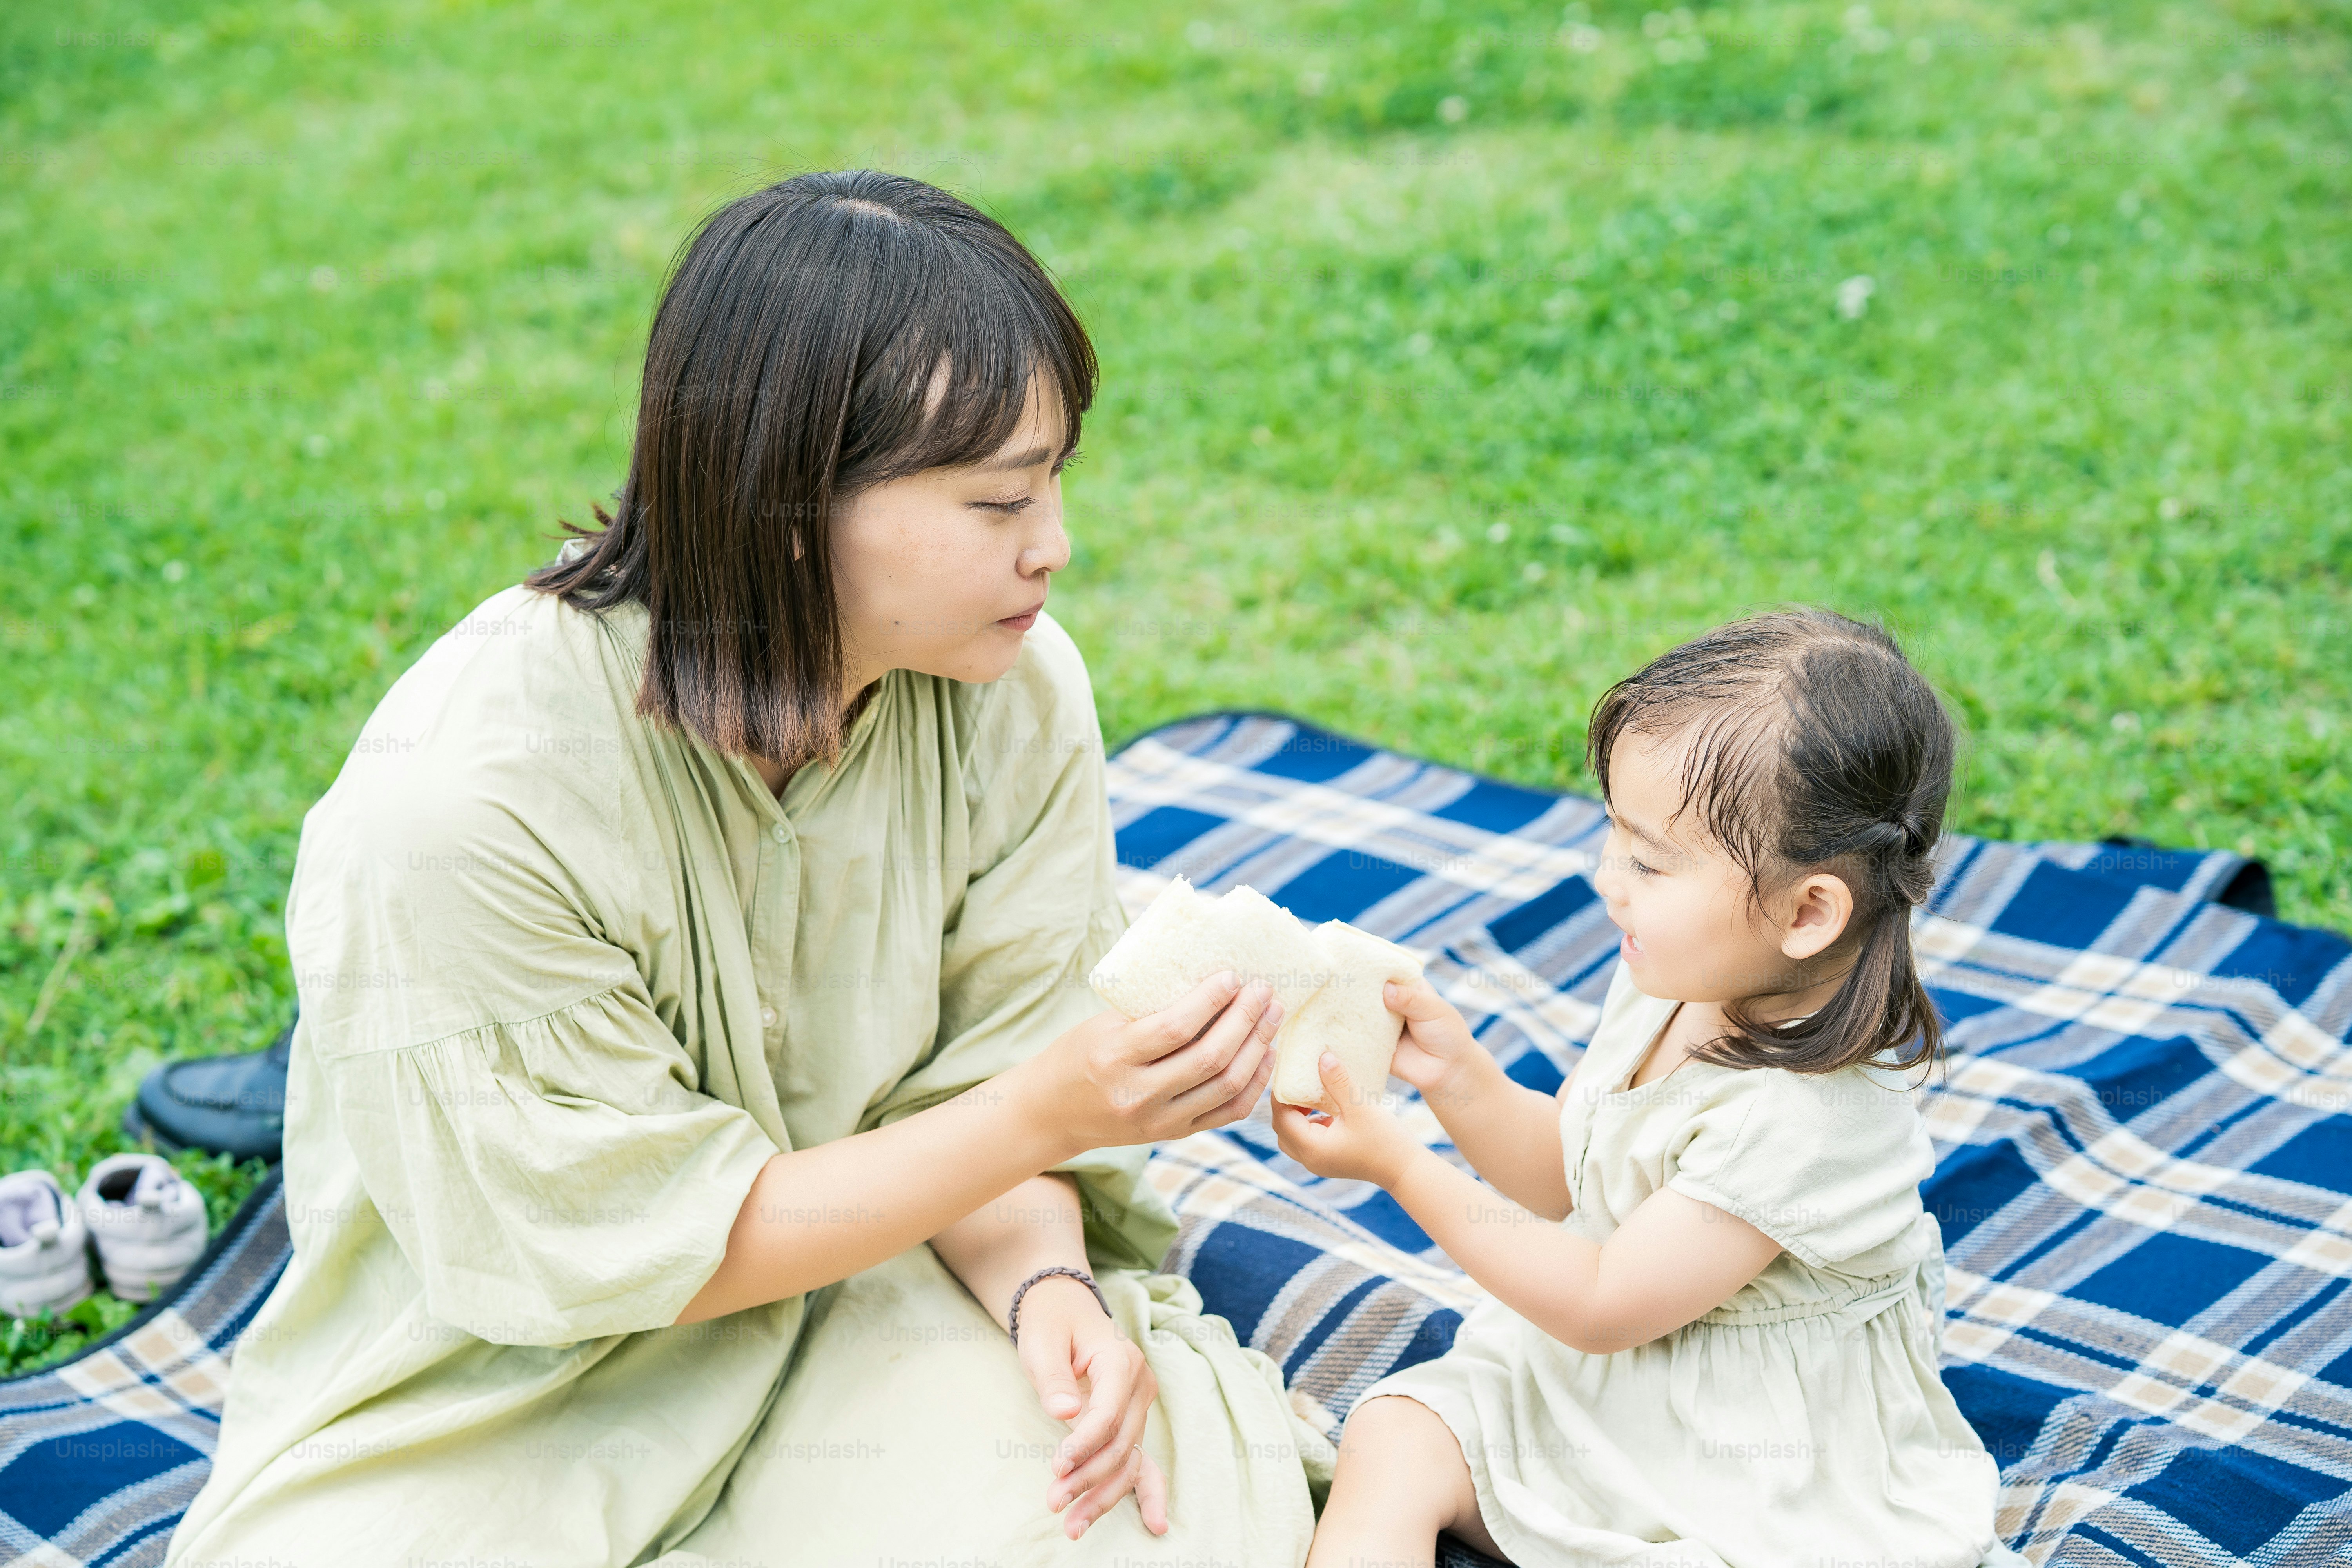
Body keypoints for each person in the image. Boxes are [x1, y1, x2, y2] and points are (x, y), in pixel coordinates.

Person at [165, 169, 1336, 1567]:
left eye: (1054, 481)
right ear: (787, 505)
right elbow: (647, 1239)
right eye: (996, 502)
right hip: (514, 1388)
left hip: (875, 1289)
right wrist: (1040, 1115)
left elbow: (981, 1081)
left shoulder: (1013, 689)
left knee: (1131, 1518)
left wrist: (1044, 1291)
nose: (1055, 548)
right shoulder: (464, 808)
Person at [1275, 610, 2027, 1567]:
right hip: (1597, 1387)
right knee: (1395, 1435)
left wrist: (1400, 1165)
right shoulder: (1672, 978)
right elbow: (1569, 1176)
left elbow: (1601, 1298)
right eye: (1614, 835)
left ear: (1808, 910)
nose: (1606, 880)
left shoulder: (1811, 1113)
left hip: (1753, 1461)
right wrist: (1458, 1076)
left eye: (1648, 860)